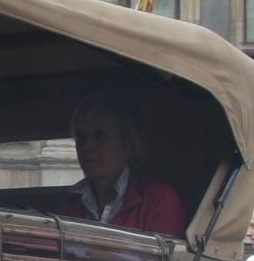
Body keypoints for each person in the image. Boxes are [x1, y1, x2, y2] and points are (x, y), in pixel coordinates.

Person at [66, 95, 184, 236]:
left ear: (129, 146)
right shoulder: (70, 204)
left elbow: (164, 257)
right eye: (81, 136)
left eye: (99, 136)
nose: (86, 146)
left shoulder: (160, 200)